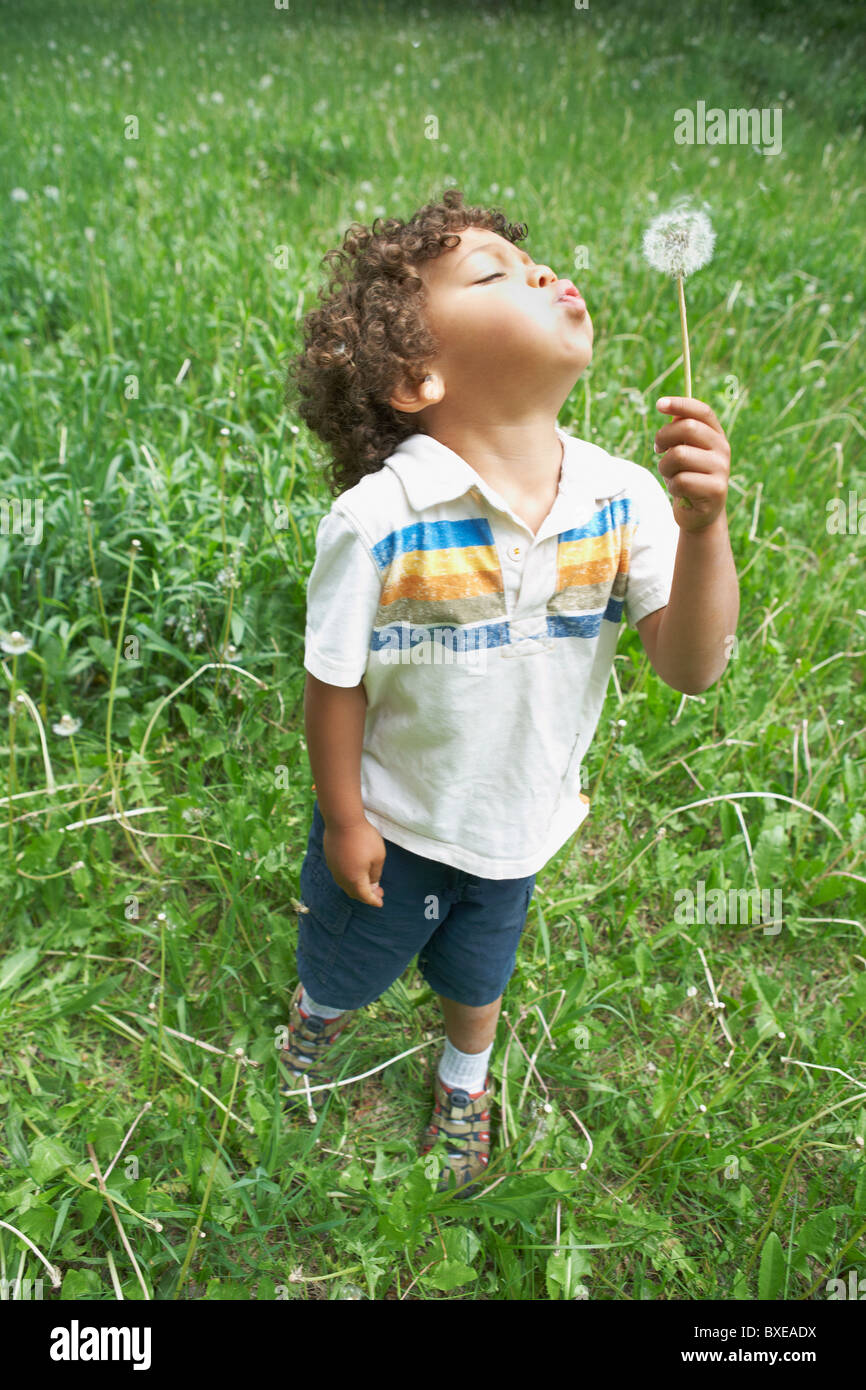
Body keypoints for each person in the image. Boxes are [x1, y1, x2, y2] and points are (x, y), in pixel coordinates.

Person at [279, 187, 738, 1197]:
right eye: (488, 272)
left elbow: (690, 665)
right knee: (347, 955)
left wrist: (703, 531)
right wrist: (344, 817)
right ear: (416, 379)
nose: (537, 271)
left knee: (477, 977)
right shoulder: (377, 520)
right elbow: (333, 685)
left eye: (527, 260)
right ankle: (314, 1018)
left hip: (518, 823)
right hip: (395, 819)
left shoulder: (622, 499)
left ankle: (463, 1078)